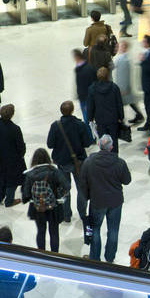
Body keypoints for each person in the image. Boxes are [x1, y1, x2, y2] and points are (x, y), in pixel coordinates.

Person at [46, 101, 95, 242]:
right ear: (73, 111)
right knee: (81, 188)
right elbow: (88, 142)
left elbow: (50, 144)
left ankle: (66, 215)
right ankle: (82, 213)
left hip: (62, 163)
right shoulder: (80, 125)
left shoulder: (55, 126)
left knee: (64, 188)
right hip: (78, 162)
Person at [78, 135, 132, 263]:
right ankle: (110, 257)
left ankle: (95, 258)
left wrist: (84, 201)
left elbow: (83, 184)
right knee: (113, 230)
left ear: (98, 145)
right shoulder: (119, 162)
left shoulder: (89, 162)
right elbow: (127, 180)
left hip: (97, 202)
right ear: (111, 147)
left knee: (95, 229)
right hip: (115, 202)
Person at [20, 148, 67, 252]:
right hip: (53, 207)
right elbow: (66, 186)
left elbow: (25, 195)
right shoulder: (54, 171)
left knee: (41, 232)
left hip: (37, 208)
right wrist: (59, 195)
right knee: (54, 232)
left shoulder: (30, 174)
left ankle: (41, 254)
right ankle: (55, 255)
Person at [0, 104, 26, 208]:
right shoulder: (15, 129)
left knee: (1, 177)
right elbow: (20, 146)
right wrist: (22, 153)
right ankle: (9, 201)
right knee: (12, 181)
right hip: (13, 159)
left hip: (1, 157)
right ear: (12, 115)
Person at [87, 67, 125, 153]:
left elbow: (90, 105)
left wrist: (90, 118)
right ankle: (114, 157)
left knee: (103, 141)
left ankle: (104, 156)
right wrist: (121, 117)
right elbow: (119, 104)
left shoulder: (92, 89)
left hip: (100, 120)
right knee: (114, 141)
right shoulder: (114, 87)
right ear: (108, 75)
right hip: (113, 119)